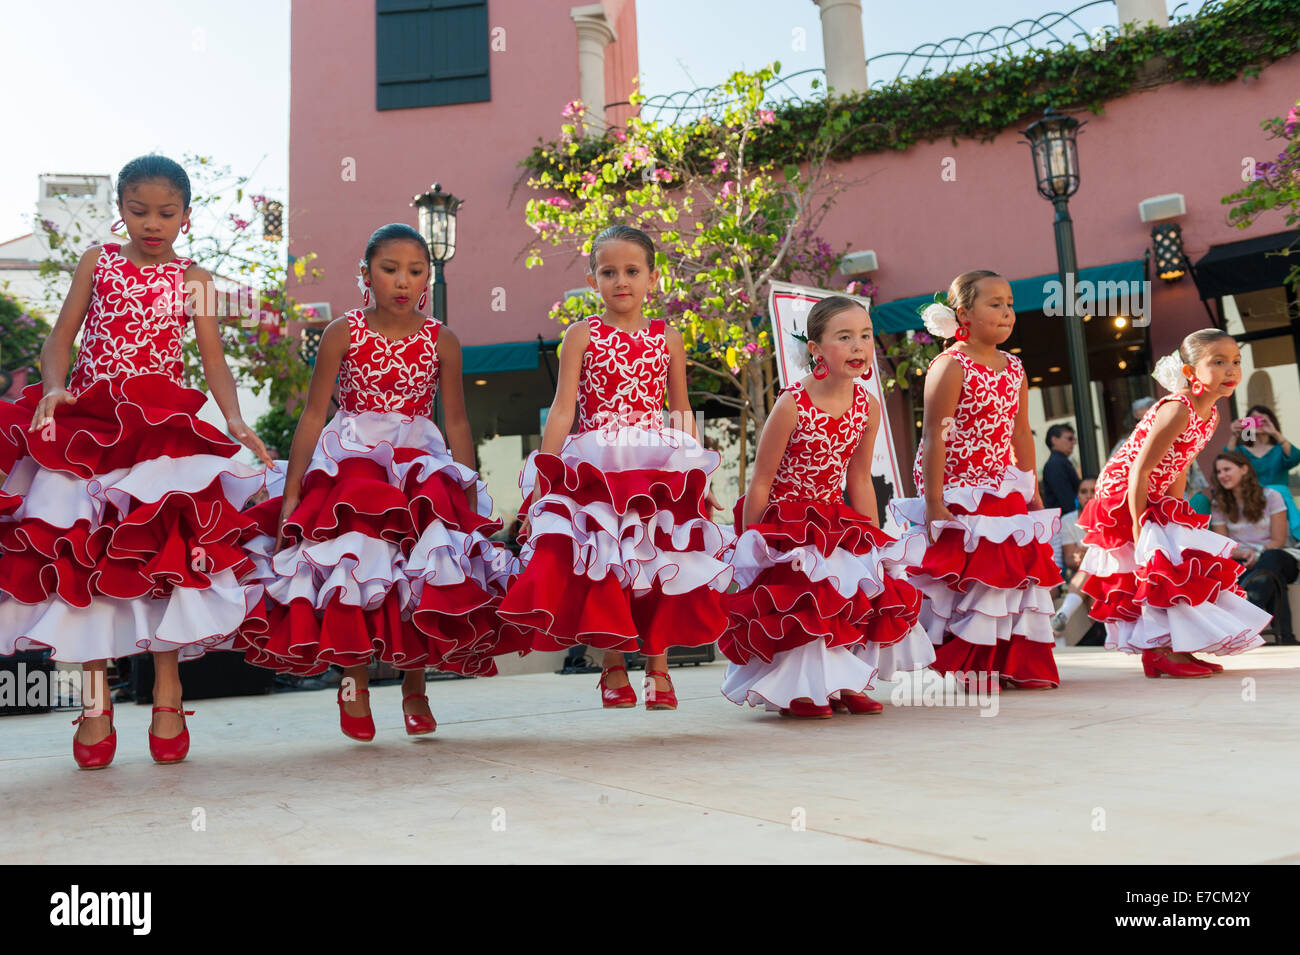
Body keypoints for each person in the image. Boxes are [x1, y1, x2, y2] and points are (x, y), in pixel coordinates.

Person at [0, 155, 273, 768]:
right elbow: (60, 339)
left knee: (160, 559)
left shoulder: (194, 277)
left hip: (162, 431)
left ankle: (168, 694)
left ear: (185, 214)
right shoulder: (98, 261)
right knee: (88, 559)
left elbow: (214, 360)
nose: (153, 223)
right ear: (119, 208)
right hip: (92, 421)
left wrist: (232, 420)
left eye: (167, 213)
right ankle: (95, 703)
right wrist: (51, 386)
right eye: (138, 210)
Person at [238, 223, 525, 741]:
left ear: (427, 278)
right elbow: (310, 415)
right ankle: (355, 684)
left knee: (420, 571)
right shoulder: (342, 332)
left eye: (416, 272)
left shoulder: (443, 340)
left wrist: (466, 486)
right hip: (353, 459)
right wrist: (294, 490)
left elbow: (456, 420)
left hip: (420, 463)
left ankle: (416, 687)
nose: (402, 281)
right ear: (365, 273)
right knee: (356, 566)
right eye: (390, 269)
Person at [498, 225, 730, 710]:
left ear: (651, 278)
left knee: (659, 558)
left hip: (655, 460)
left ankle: (659, 667)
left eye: (631, 271)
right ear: (593, 278)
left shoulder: (668, 336)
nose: (620, 281)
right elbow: (563, 408)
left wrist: (696, 472)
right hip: (596, 460)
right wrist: (547, 473)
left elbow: (681, 408)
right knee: (603, 560)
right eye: (608, 272)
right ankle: (612, 665)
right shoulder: (582, 333)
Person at [719, 296, 934, 719]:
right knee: (807, 602)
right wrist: (750, 546)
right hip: (787, 522)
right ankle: (801, 689)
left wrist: (874, 541)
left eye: (865, 336)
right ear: (816, 349)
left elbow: (858, 478)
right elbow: (761, 480)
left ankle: (846, 681)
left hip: (836, 518)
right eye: (844, 337)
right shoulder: (791, 403)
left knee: (851, 595)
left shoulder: (867, 406)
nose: (858, 346)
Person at [891, 270, 1062, 691]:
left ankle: (1014, 661)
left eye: (1009, 304)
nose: (1006, 313)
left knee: (1014, 574)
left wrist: (1032, 487)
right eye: (995, 304)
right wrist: (933, 502)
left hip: (1002, 482)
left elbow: (1021, 431)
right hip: (958, 486)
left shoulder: (1015, 366)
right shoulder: (950, 365)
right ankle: (970, 663)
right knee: (976, 576)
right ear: (963, 313)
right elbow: (935, 435)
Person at [1078, 330, 1270, 677]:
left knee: (1175, 565)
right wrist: (1138, 521)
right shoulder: (1178, 408)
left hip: (1154, 493)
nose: (1231, 370)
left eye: (1236, 361)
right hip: (1124, 495)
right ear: (1190, 373)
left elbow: (1178, 465)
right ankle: (1159, 652)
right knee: (1157, 569)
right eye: (1218, 362)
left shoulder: (1209, 415)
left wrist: (1175, 509)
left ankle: (1174, 648)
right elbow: (1141, 467)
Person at [1210, 450, 1299, 644]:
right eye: (1219, 471)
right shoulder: (1220, 504)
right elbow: (1223, 544)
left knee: (1271, 560)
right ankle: (1286, 637)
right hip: (1243, 561)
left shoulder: (1271, 496)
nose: (1222, 475)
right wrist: (1244, 553)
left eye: (1227, 469)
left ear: (1244, 469)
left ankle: (1246, 619)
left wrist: (1257, 554)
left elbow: (1278, 539)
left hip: (1278, 556)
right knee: (1273, 579)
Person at [1224, 403, 1300, 541]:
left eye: (1262, 420)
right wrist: (1235, 435)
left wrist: (1275, 433)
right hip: (1251, 500)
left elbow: (1295, 458)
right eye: (1253, 420)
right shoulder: (1242, 451)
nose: (1258, 423)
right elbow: (1226, 462)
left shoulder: (1279, 449)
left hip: (1281, 502)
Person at [1051, 477, 1096, 633]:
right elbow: (1070, 560)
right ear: (1077, 496)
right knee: (1089, 574)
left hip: (1111, 573)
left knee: (1092, 575)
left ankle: (1064, 613)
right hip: (1084, 574)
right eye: (1084, 491)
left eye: (1094, 491)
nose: (1089, 496)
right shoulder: (1069, 520)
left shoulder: (1111, 516)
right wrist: (1079, 557)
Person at [1041, 424, 1080, 512]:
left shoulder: (1059, 462)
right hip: (1065, 521)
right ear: (1054, 440)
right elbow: (1067, 499)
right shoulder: (1055, 464)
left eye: (1074, 439)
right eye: (1070, 439)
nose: (1074, 442)